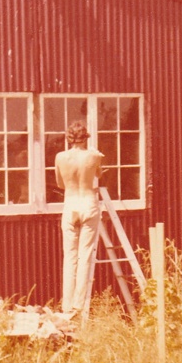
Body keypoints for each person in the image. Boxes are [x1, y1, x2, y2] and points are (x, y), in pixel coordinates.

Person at [54, 121, 104, 321]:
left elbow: (60, 183)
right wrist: (97, 156)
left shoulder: (60, 157)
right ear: (86, 137)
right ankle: (78, 305)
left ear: (69, 138)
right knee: (84, 256)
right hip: (88, 203)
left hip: (71, 204)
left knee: (70, 256)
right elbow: (98, 175)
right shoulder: (93, 156)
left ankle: (67, 306)